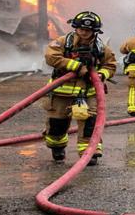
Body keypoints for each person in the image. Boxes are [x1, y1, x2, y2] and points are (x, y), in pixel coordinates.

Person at [42, 11, 118, 165]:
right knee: (57, 123)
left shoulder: (101, 48)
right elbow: (51, 56)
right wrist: (75, 66)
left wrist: (101, 75)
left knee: (90, 122)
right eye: (81, 29)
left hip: (88, 92)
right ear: (75, 28)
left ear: (95, 31)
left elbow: (110, 65)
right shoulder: (63, 42)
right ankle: (57, 148)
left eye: (88, 30)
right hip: (61, 91)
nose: (84, 32)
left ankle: (90, 153)